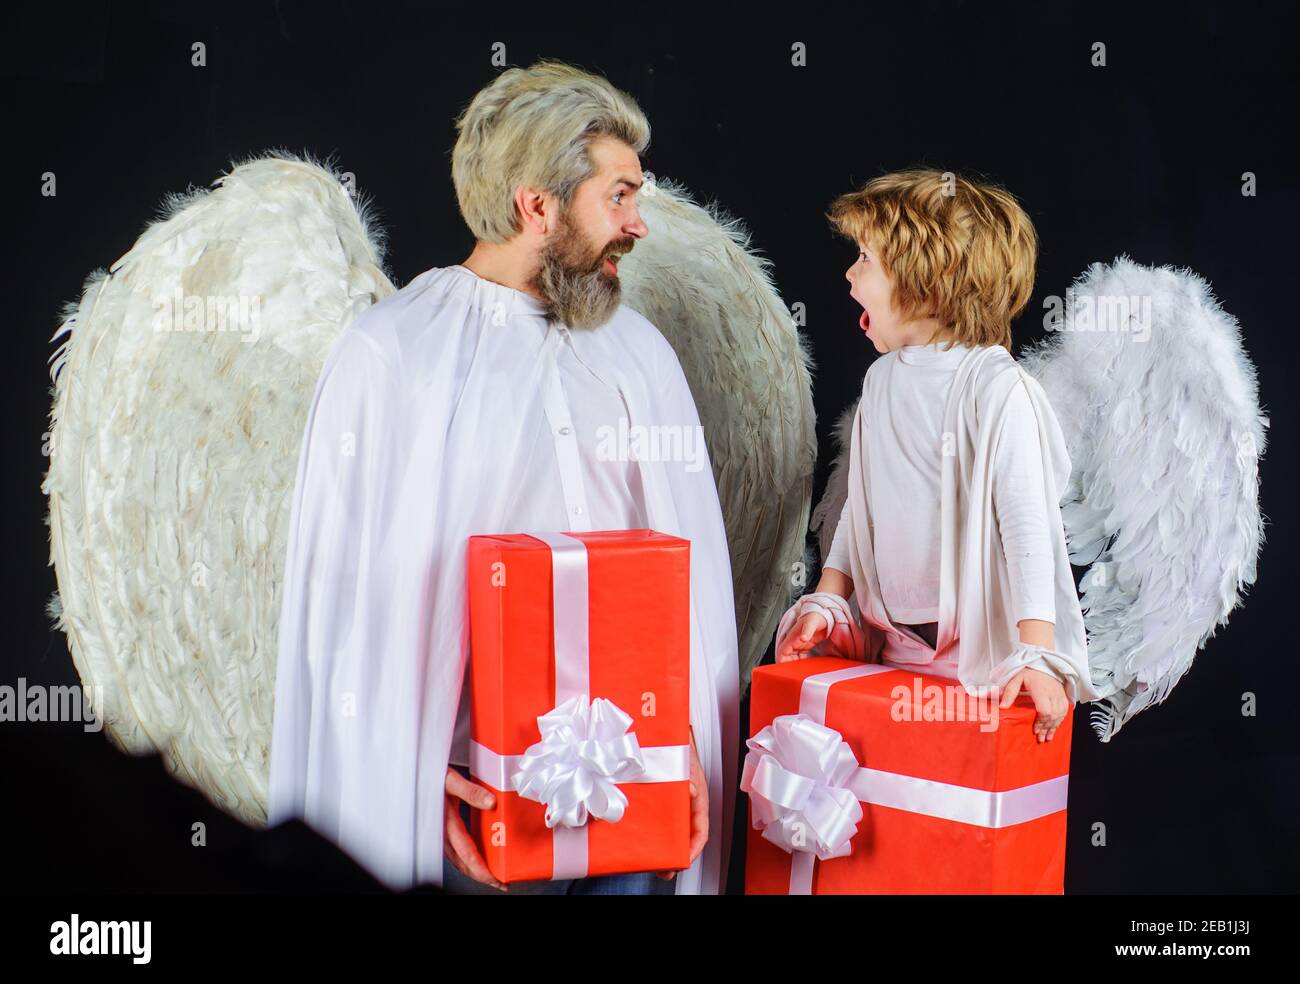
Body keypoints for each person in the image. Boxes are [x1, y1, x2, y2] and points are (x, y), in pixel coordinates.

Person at [268, 60, 738, 894]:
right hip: (473, 817)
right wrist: (409, 778)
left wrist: (687, 743)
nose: (638, 224)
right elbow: (344, 610)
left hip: (634, 797)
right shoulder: (392, 356)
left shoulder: (641, 357)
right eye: (618, 196)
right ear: (538, 206)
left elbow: (680, 581)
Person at [776, 169, 1101, 741]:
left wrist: (1034, 651)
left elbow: (1024, 522)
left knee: (967, 798)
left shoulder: (995, 387)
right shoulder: (880, 382)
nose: (849, 274)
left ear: (926, 279)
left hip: (977, 657)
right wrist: (828, 597)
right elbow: (862, 502)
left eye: (865, 259)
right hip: (894, 650)